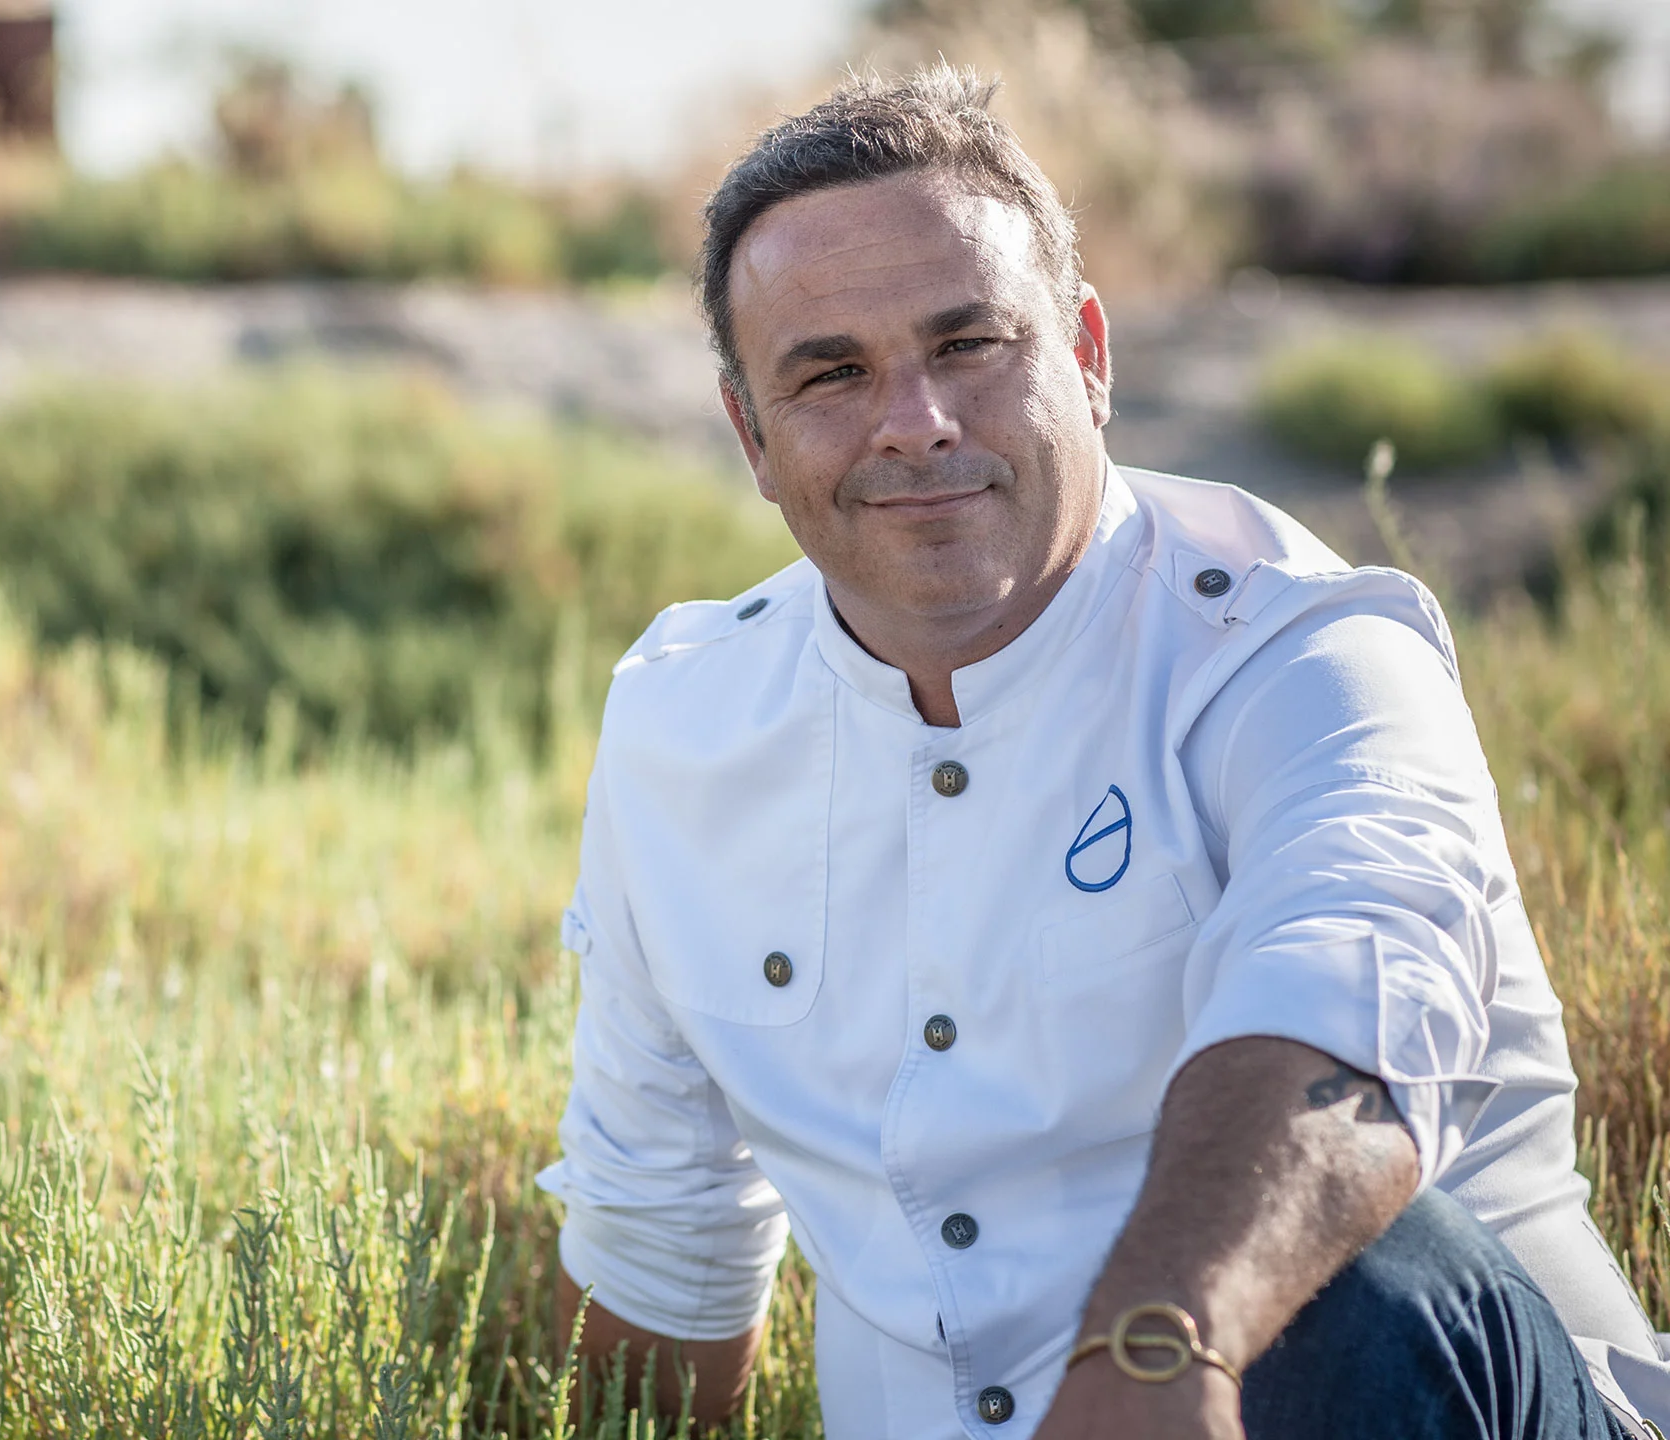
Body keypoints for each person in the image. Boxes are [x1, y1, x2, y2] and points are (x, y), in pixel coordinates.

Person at [537, 63, 1670, 1440]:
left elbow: (1344, 1024)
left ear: (1087, 353)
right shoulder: (682, 724)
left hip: (1440, 1399)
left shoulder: (1308, 653)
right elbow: (662, 1247)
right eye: (831, 373)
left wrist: (1159, 1347)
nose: (916, 421)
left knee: (1364, 1275)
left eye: (969, 344)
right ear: (752, 438)